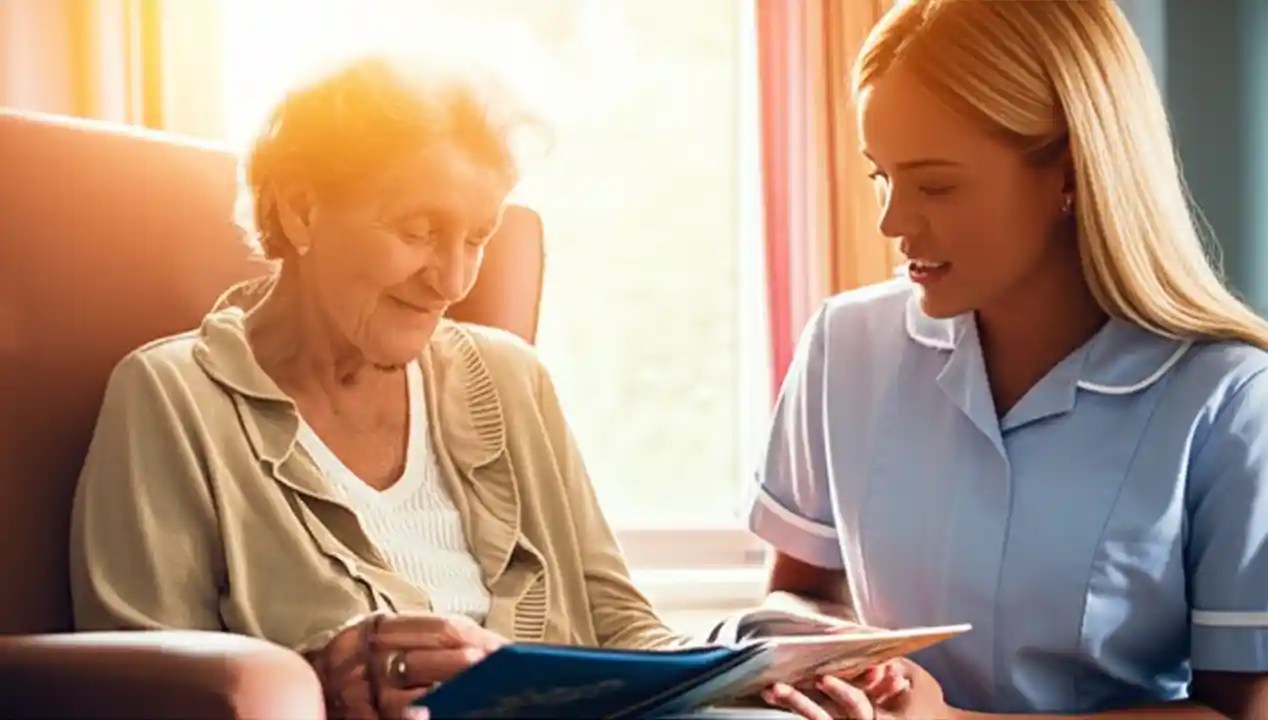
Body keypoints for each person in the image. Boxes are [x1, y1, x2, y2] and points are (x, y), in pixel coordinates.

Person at [68, 55, 899, 720]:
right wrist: (325, 681)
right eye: (421, 231)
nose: (453, 279)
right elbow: (149, 686)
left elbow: (620, 626)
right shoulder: (170, 398)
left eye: (477, 237)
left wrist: (761, 674)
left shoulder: (509, 378)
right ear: (302, 208)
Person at [748, 1, 1268, 719]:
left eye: (935, 184)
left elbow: (1248, 711)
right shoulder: (844, 346)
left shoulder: (1234, 402)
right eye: (882, 177)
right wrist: (841, 662)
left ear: (1070, 173)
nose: (891, 222)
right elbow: (800, 590)